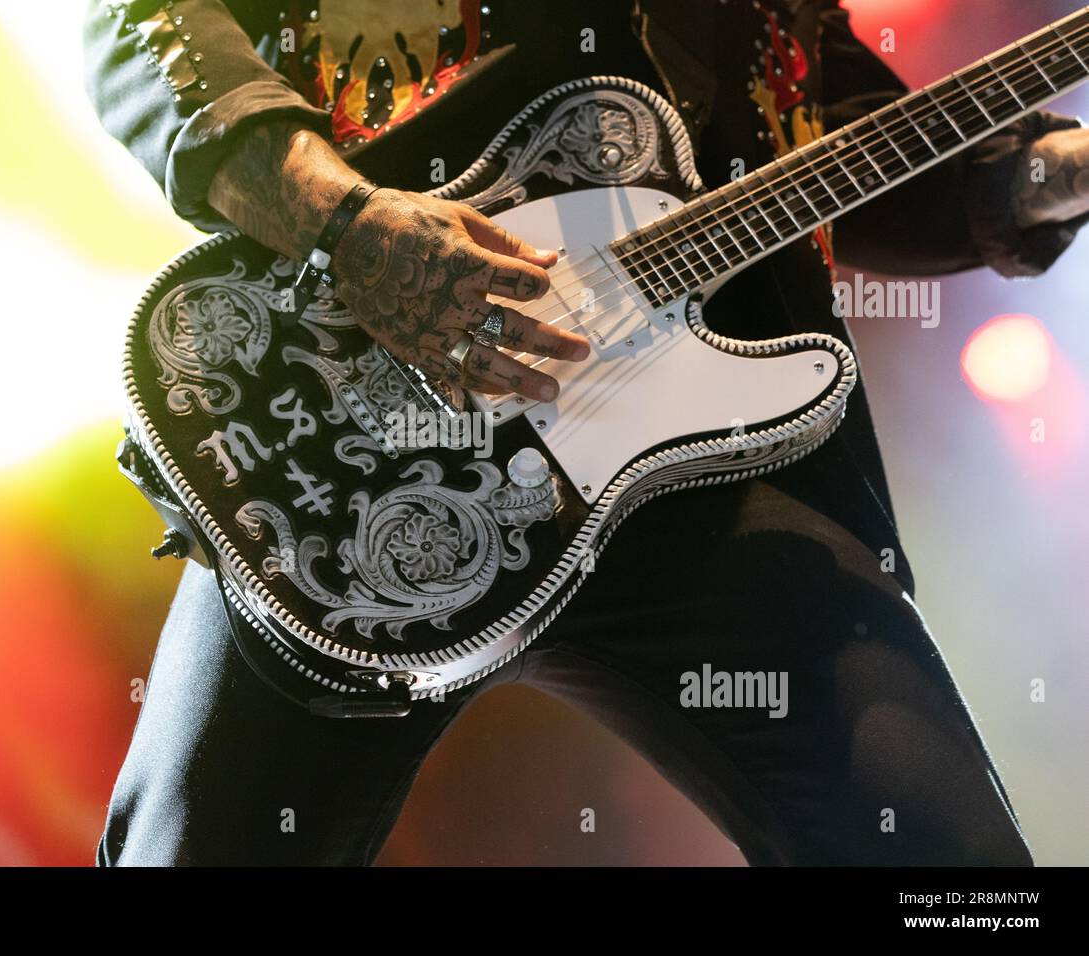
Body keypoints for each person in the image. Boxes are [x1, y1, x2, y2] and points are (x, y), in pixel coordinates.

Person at [83, 0, 1089, 865]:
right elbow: (148, 22)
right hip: (370, 427)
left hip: (716, 465)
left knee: (947, 869)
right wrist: (343, 222)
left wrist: (1046, 172)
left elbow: (839, 144)